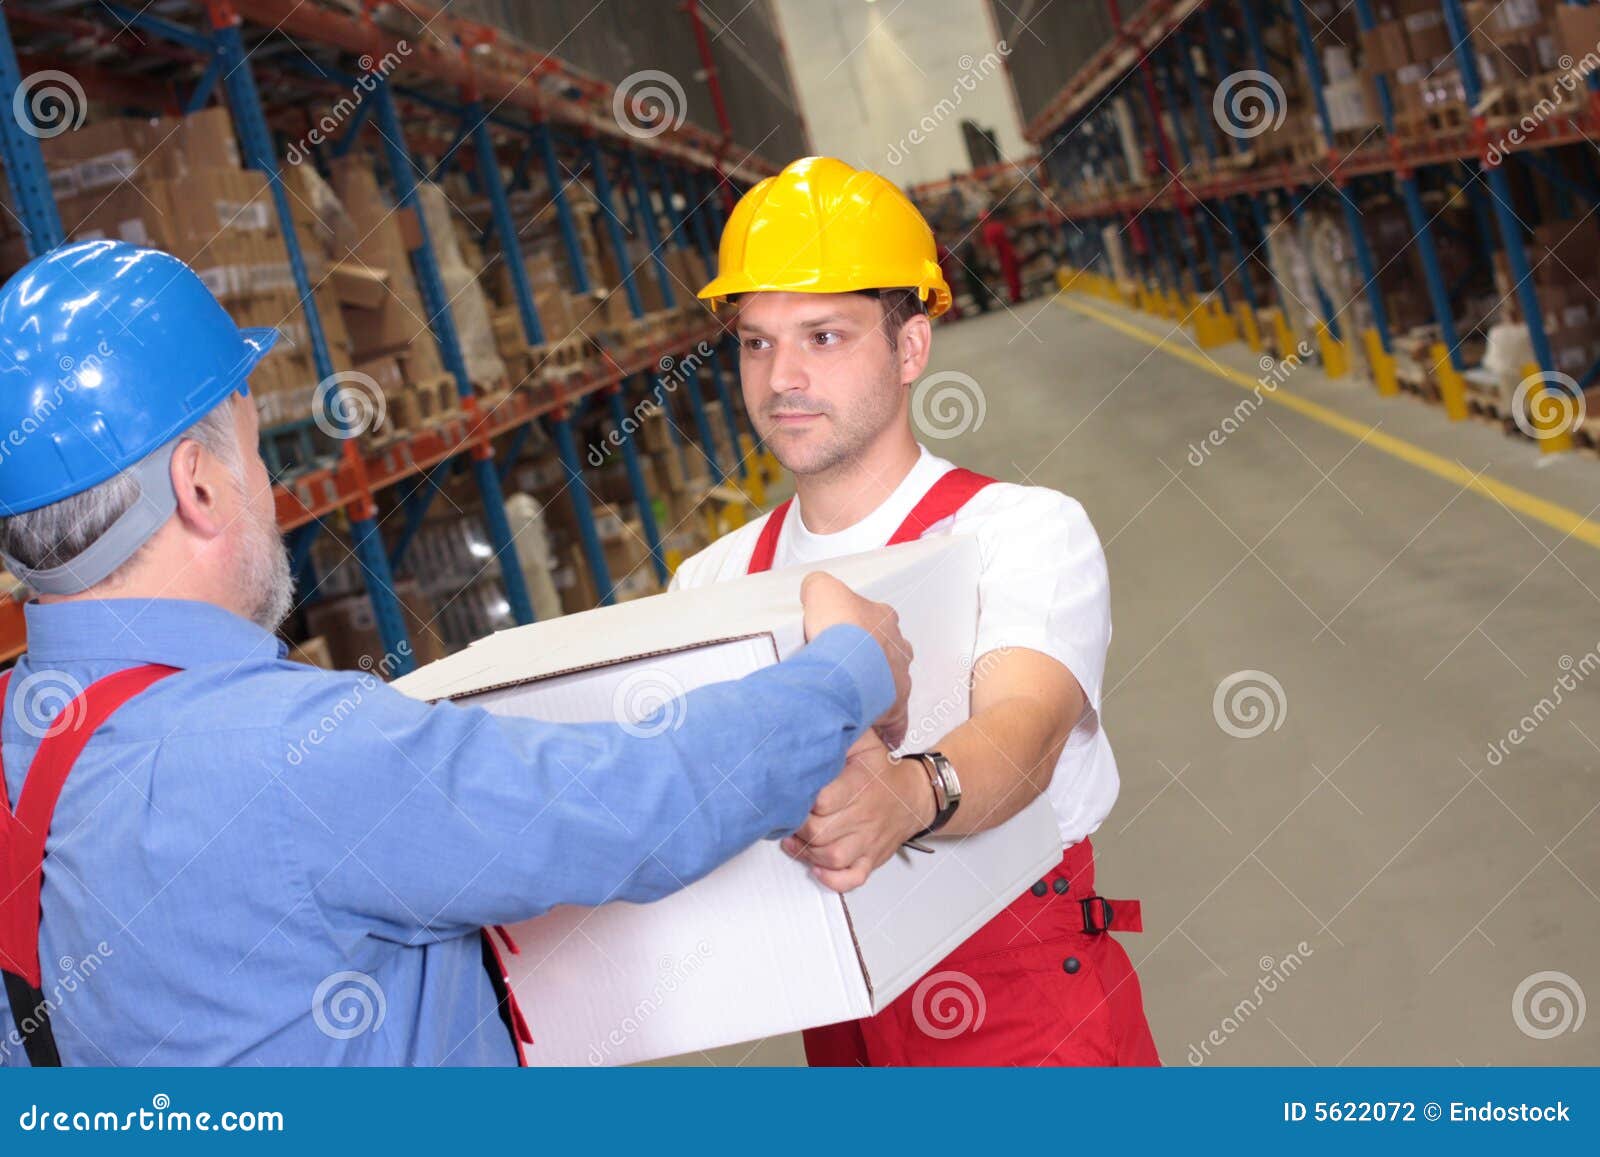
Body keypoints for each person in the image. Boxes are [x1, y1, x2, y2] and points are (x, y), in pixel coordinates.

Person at [0, 240, 915, 1067]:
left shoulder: (22, 731)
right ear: (196, 485)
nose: (271, 487)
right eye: (251, 447)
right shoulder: (288, 756)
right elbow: (637, 805)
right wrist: (846, 666)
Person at [673, 157, 1159, 1066]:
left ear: (910, 348)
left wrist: (909, 792)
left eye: (824, 336)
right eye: (755, 341)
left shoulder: (1020, 530)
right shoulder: (712, 582)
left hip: (1027, 1029)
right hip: (841, 1025)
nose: (782, 377)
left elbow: (1026, 724)